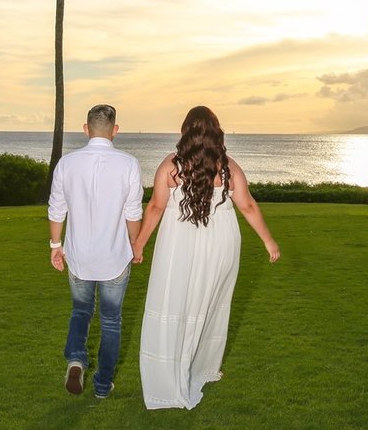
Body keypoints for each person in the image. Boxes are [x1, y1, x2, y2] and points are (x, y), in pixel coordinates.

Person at [132, 105, 280, 410]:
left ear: (184, 133)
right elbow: (248, 206)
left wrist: (139, 244)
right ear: (216, 133)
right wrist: (268, 241)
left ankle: (175, 371)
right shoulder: (228, 168)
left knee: (174, 301)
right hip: (220, 243)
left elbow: (156, 208)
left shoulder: (170, 168)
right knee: (210, 304)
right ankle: (199, 367)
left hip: (179, 243)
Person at [48, 104, 143, 399]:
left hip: (78, 257)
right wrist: (136, 246)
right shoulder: (129, 164)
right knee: (111, 320)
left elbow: (56, 209)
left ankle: (76, 359)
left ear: (85, 129)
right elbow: (133, 213)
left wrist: (55, 246)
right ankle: (102, 385)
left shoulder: (67, 163)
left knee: (80, 311)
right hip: (115, 257)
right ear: (115, 130)